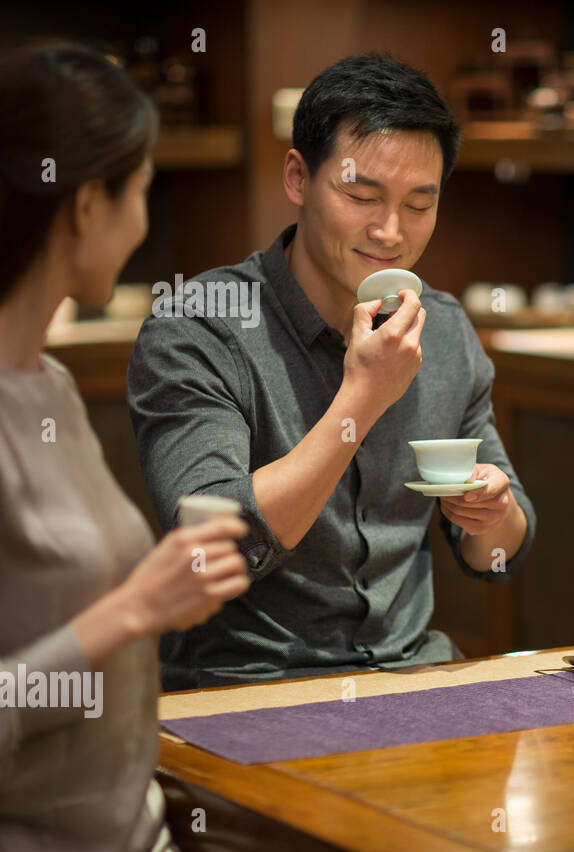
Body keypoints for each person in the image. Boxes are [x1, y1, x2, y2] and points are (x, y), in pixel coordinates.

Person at [127, 53, 535, 690]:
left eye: (419, 204)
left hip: (412, 672)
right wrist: (363, 398)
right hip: (248, 685)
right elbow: (210, 545)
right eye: (361, 195)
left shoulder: (446, 329)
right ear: (298, 177)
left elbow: (498, 555)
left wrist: (492, 512)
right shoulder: (198, 326)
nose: (390, 231)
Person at [0, 42, 251, 852]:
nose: (144, 222)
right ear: (85, 206)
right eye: (140, 192)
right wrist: (138, 607)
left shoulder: (53, 388)